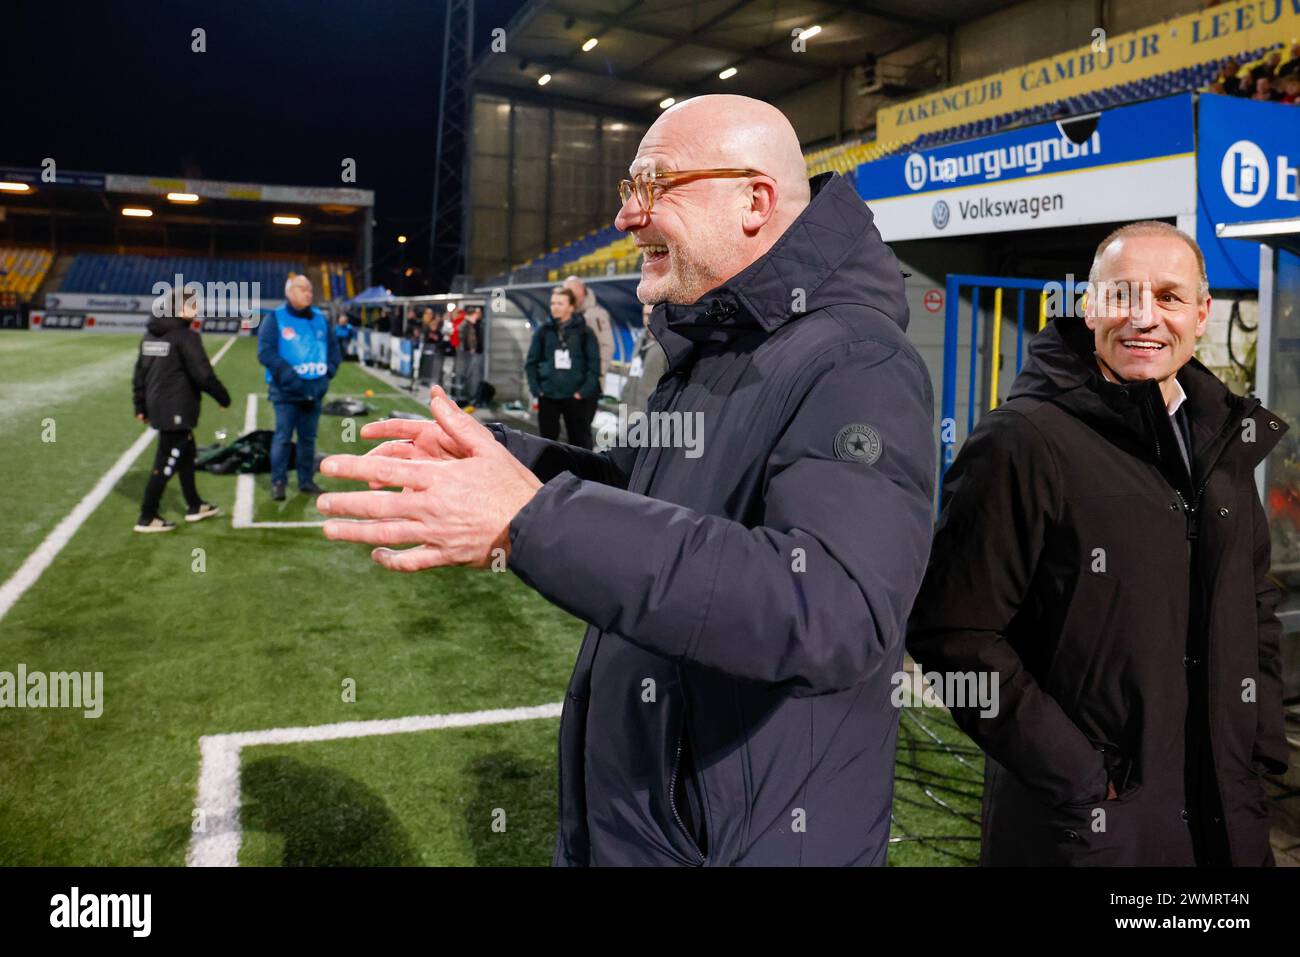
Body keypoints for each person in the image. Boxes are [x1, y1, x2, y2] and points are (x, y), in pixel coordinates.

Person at [316, 94, 936, 866]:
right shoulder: (721, 341)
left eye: (654, 186)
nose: (626, 218)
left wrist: (531, 520)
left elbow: (829, 606)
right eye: (627, 190)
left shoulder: (857, 360)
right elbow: (644, 492)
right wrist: (510, 464)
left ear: (755, 200)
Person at [907, 221, 1289, 866]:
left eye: (1168, 298)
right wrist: (1082, 780)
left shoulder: (1221, 443)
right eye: (1121, 295)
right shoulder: (1021, 441)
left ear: (1201, 315)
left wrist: (1257, 741)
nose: (1144, 317)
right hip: (1090, 826)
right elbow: (955, 635)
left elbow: (1254, 604)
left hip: (1225, 810)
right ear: (1088, 307)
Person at [131, 288, 230, 532]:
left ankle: (195, 505)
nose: (197, 308)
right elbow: (203, 374)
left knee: (187, 455)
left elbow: (140, 373)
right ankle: (147, 515)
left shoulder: (151, 336)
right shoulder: (185, 336)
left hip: (159, 407)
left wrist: (140, 405)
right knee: (166, 461)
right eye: (192, 304)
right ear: (178, 309)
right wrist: (223, 397)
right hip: (176, 408)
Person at [257, 274, 341, 500]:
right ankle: (279, 481)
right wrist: (288, 376)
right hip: (286, 392)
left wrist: (328, 373)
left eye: (310, 290)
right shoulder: (275, 318)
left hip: (314, 392)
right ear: (289, 292)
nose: (308, 293)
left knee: (308, 439)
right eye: (302, 289)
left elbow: (333, 349)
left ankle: (306, 481)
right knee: (283, 438)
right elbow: (265, 352)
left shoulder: (319, 318)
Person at [524, 287, 600, 449]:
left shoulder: (585, 333)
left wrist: (582, 393)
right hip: (548, 395)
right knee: (547, 443)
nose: (555, 307)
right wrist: (537, 390)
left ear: (571, 307)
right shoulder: (543, 332)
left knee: (579, 442)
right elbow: (531, 363)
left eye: (560, 303)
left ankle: (583, 473)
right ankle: (550, 473)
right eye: (553, 303)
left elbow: (594, 366)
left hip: (575, 397)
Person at [619, 302, 666, 413]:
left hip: (651, 409)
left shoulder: (666, 345)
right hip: (630, 405)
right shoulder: (640, 340)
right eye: (645, 314)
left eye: (651, 314)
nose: (648, 318)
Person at [564, 275, 614, 380]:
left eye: (571, 292)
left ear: (582, 291)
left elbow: (607, 346)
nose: (569, 297)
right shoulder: (570, 315)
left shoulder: (595, 315)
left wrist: (595, 376)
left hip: (588, 382)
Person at [459, 305, 486, 407]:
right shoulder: (466, 324)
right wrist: (471, 349)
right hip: (469, 354)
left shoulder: (476, 324)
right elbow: (467, 339)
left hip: (474, 353)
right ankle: (468, 397)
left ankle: (472, 397)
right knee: (470, 376)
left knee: (474, 376)